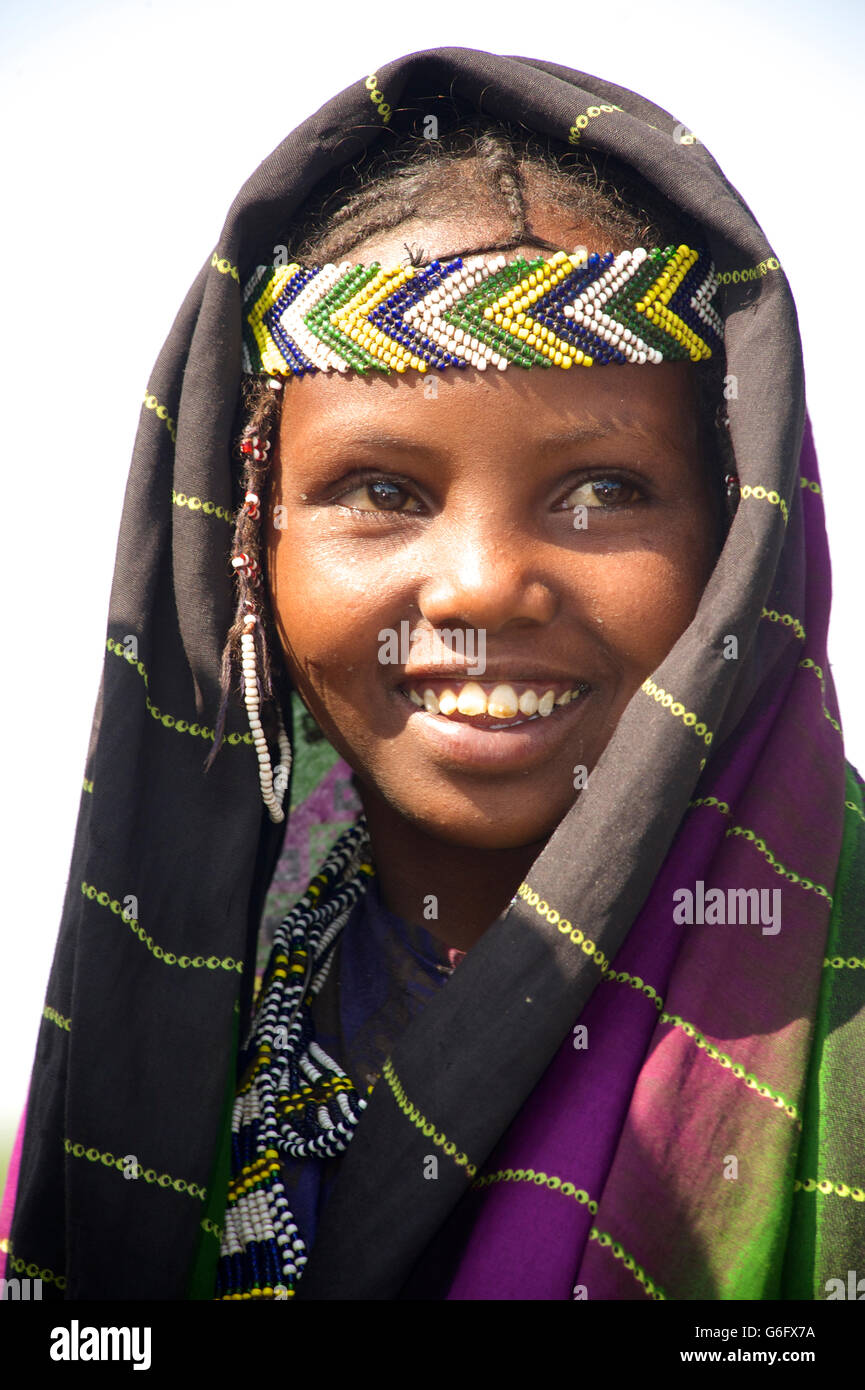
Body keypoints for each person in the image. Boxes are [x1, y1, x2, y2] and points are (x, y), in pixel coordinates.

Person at [2, 46, 862, 1302]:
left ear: (736, 536)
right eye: (379, 491)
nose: (477, 584)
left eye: (602, 491)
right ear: (250, 541)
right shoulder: (175, 1021)